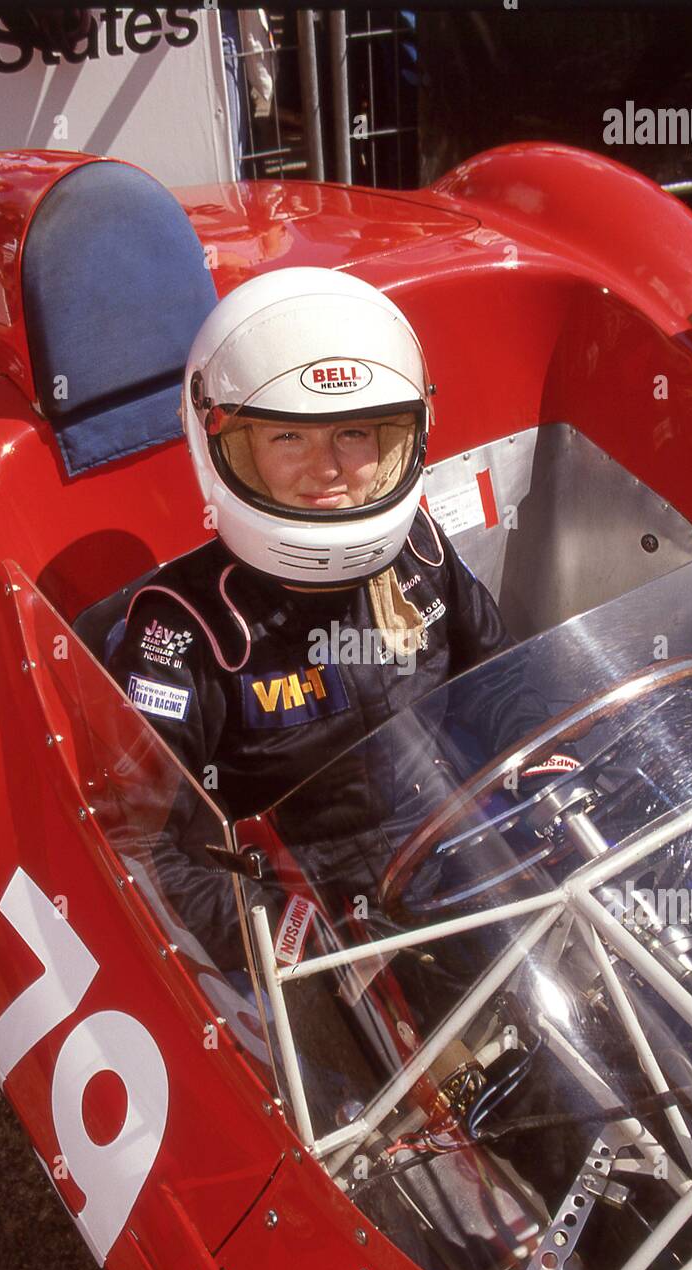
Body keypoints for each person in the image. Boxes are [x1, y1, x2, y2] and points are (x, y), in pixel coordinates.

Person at [107, 266, 560, 974]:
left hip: (450, 853)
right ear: (226, 444)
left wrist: (546, 763)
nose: (329, 469)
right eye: (288, 438)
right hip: (307, 919)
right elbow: (134, 843)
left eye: (355, 433)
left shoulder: (420, 550)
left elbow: (501, 681)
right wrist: (273, 934)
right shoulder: (182, 631)